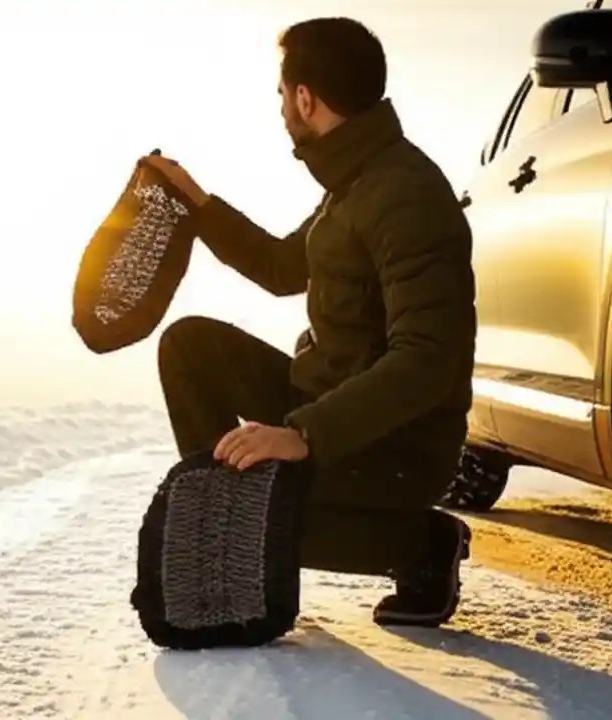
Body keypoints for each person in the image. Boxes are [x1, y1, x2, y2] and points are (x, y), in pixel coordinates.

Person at [144, 17, 477, 627]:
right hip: (327, 396)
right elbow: (279, 266)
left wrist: (303, 433)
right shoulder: (352, 183)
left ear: (305, 98)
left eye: (281, 95)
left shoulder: (406, 195)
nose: (280, 109)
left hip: (393, 445)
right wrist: (197, 203)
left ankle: (422, 544)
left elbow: (428, 359)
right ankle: (228, 523)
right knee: (191, 347)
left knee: (267, 525)